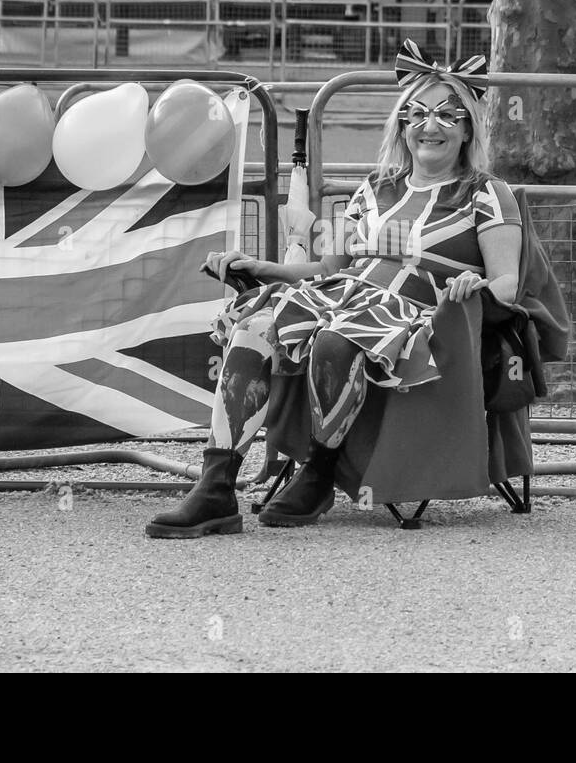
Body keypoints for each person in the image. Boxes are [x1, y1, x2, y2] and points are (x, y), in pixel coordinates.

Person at [146, 42, 523, 538]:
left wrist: (474, 284)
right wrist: (261, 267)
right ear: (402, 125)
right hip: (343, 295)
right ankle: (217, 486)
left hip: (418, 319)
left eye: (448, 116)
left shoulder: (485, 193)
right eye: (418, 113)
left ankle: (319, 474)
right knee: (257, 328)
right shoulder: (373, 188)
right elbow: (330, 267)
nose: (431, 126)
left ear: (468, 128)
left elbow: (508, 284)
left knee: (337, 339)